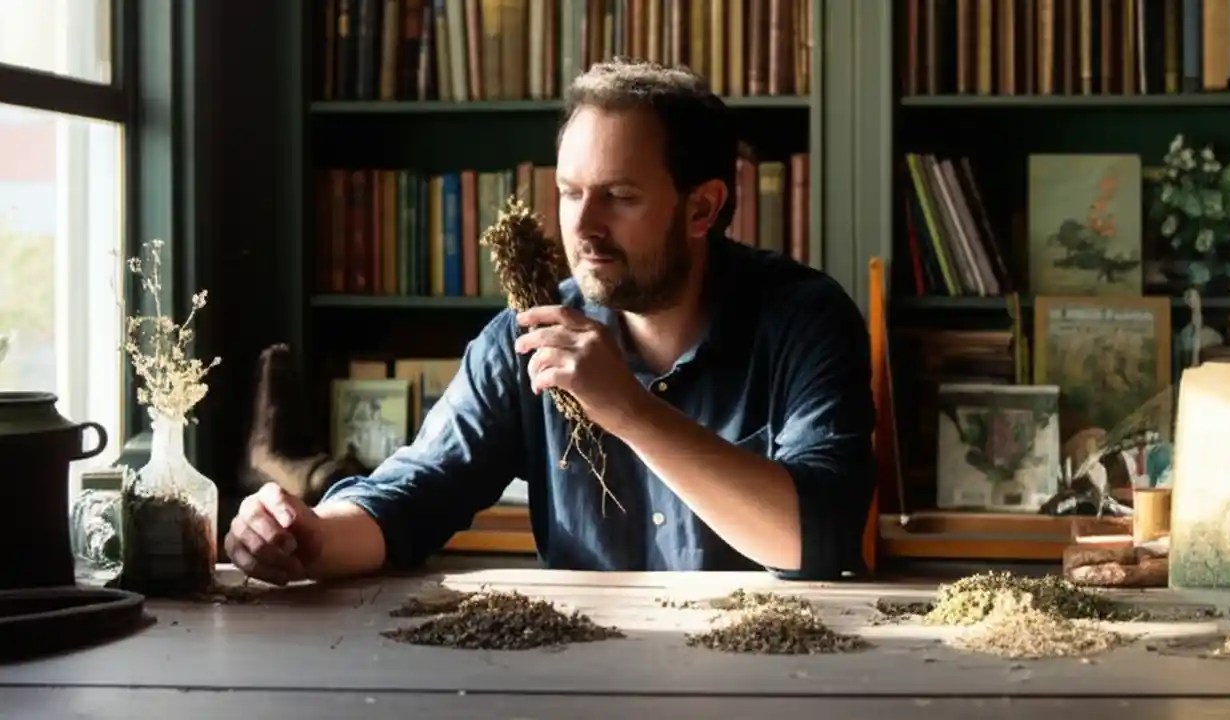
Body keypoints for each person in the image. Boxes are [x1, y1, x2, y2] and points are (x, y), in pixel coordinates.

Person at [223, 59, 877, 586]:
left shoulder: (804, 320)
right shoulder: (524, 335)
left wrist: (627, 408)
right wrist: (309, 537)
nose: (583, 227)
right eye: (569, 192)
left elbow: (816, 539)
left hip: (771, 682)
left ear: (702, 209)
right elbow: (412, 494)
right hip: (580, 674)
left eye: (620, 197)